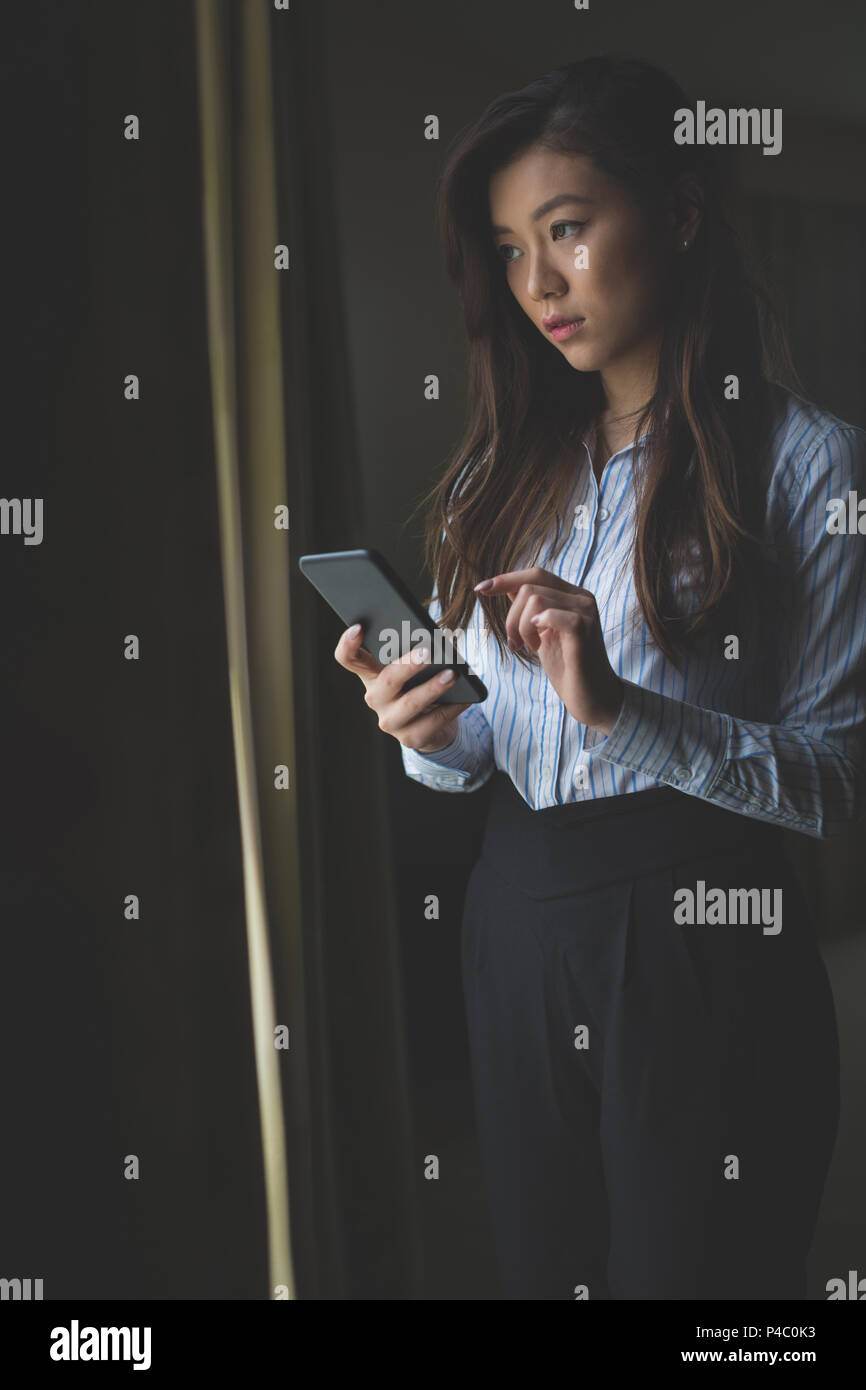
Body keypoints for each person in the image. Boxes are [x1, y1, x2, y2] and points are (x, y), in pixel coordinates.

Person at [333, 56, 866, 1300]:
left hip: (701, 936)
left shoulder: (808, 467)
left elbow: (837, 784)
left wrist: (623, 711)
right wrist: (419, 724)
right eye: (512, 249)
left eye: (565, 230)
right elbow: (477, 758)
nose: (538, 285)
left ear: (677, 212)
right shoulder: (488, 483)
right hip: (511, 926)